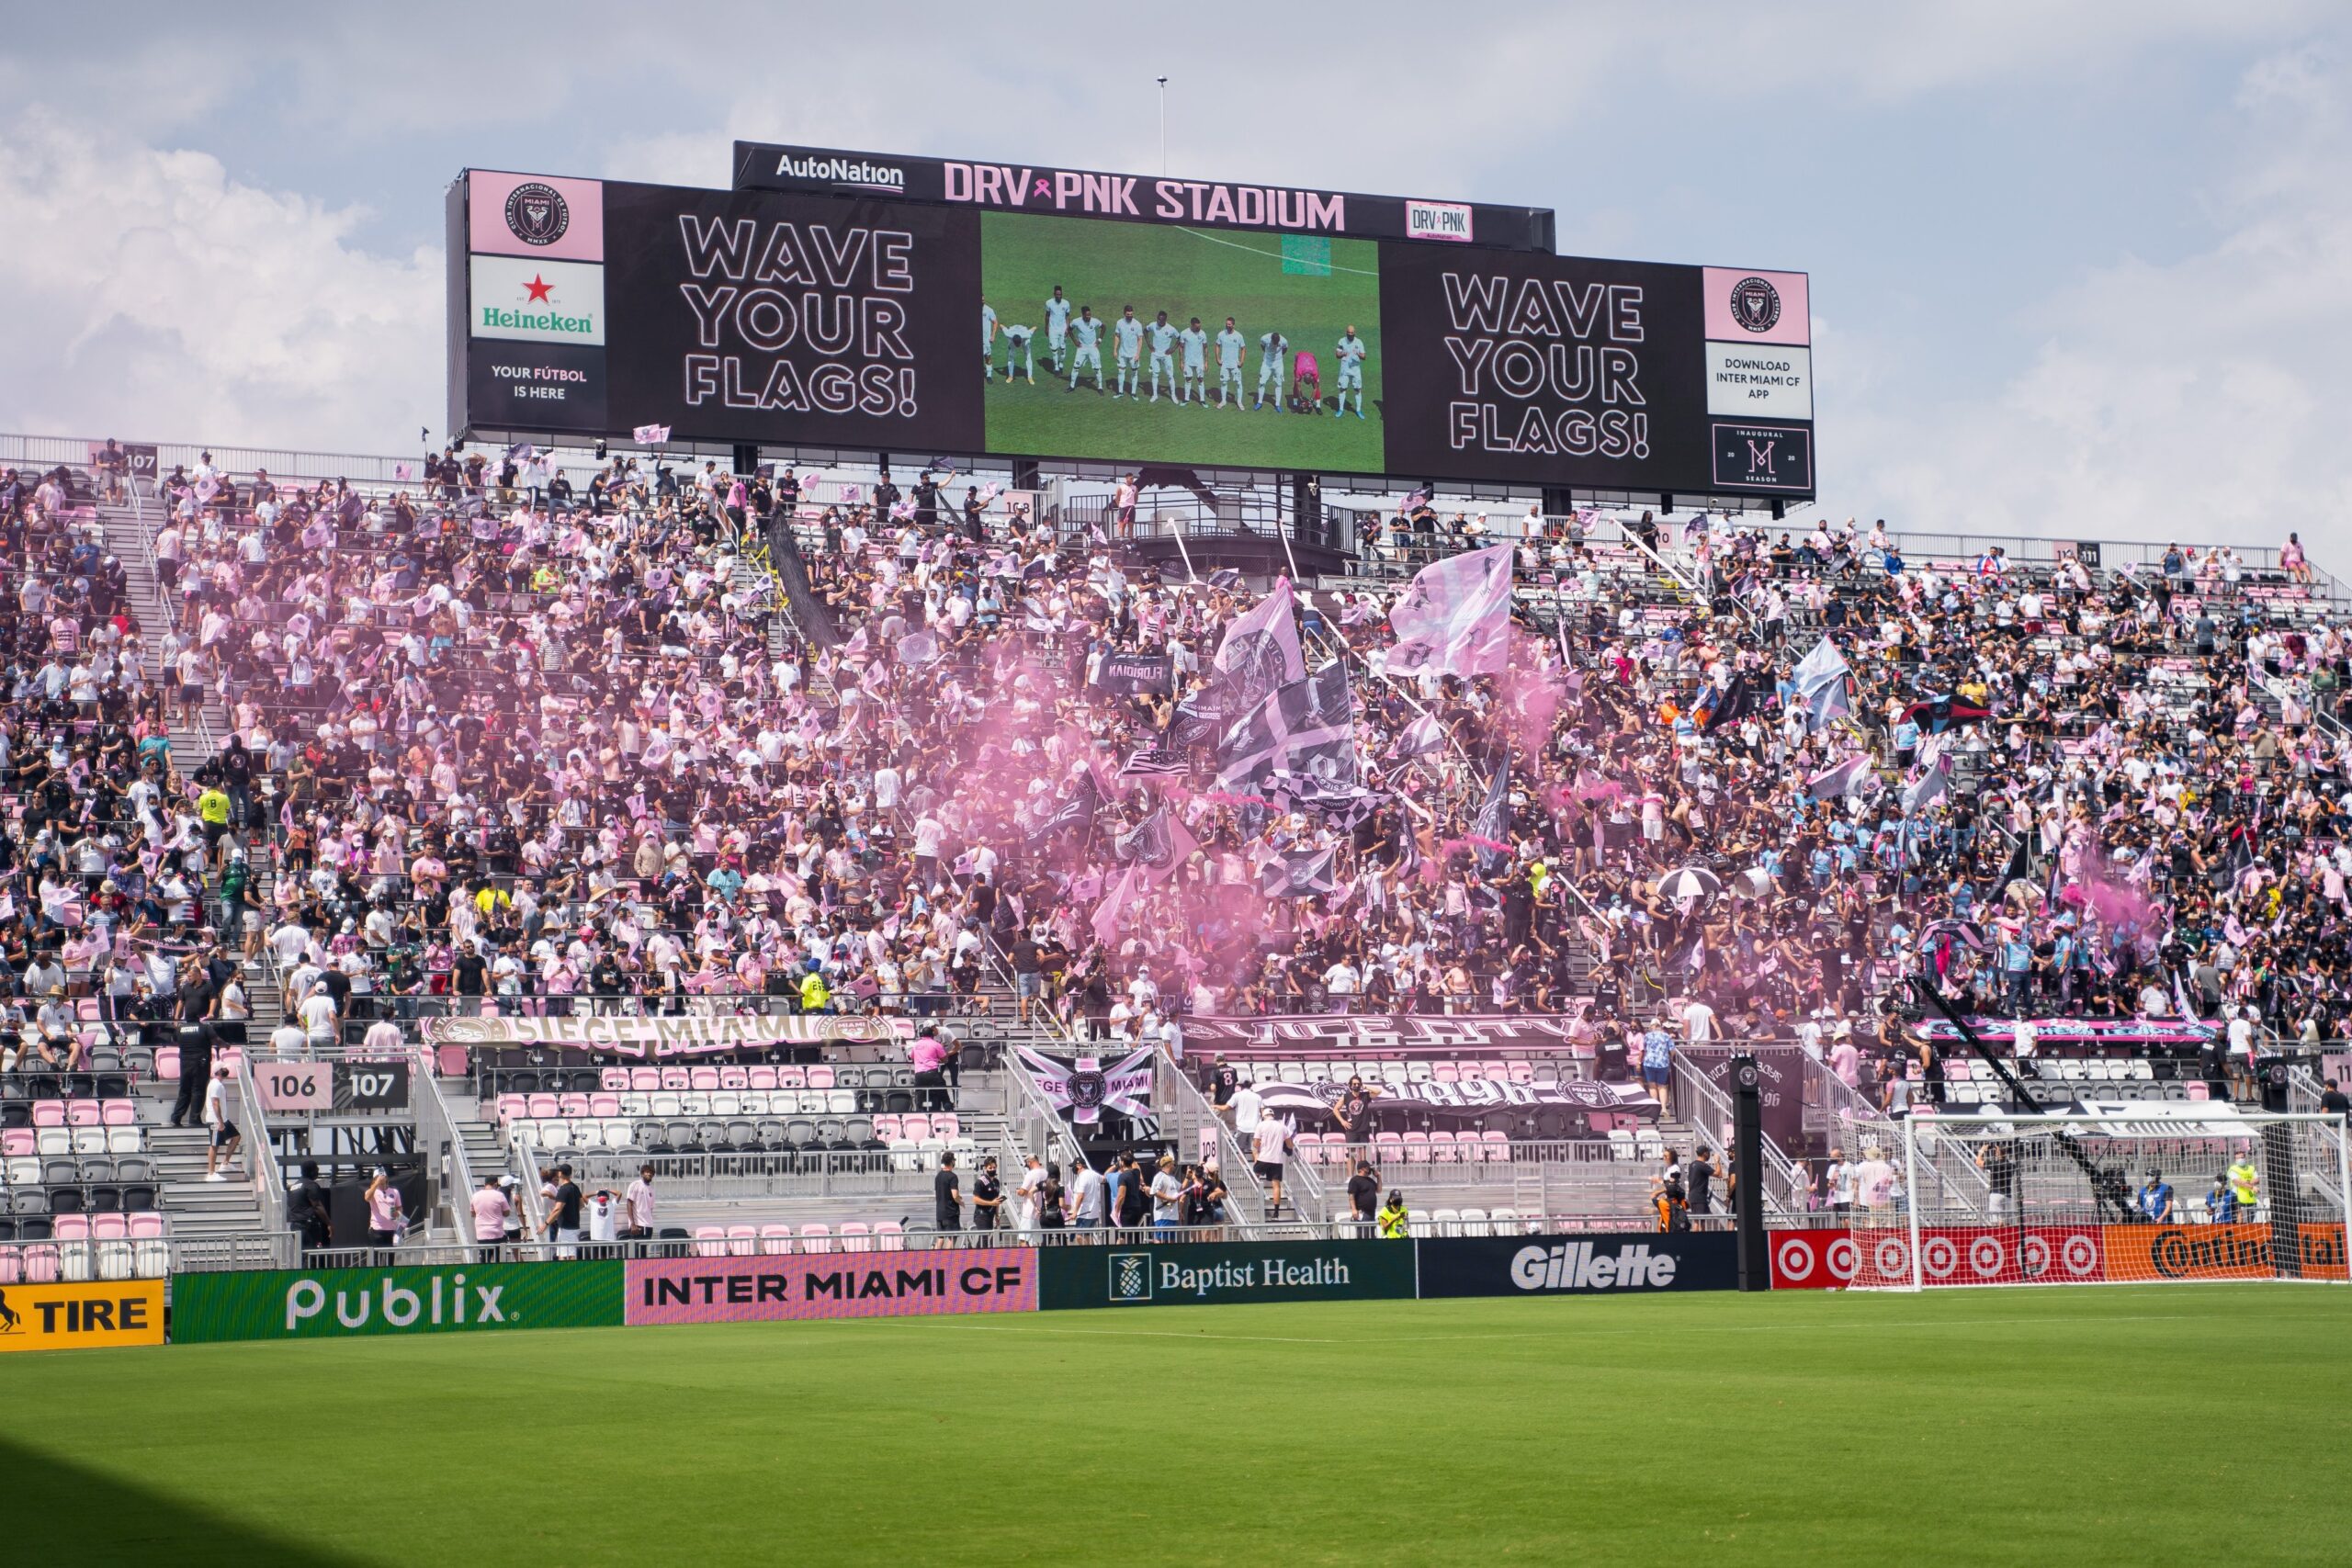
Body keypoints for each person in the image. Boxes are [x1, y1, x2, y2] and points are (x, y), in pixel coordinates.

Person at [202, 1065, 241, 1182]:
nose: (226, 1070)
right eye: (223, 1069)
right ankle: (211, 1173)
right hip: (216, 1120)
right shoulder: (215, 1085)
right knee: (214, 1145)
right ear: (218, 1071)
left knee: (236, 1137)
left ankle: (225, 1163)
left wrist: (222, 1120)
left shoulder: (218, 1084)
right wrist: (220, 1122)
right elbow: (215, 1103)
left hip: (222, 1119)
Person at [1251, 1111, 1290, 1215]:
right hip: (1277, 1159)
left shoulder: (1261, 1125)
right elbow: (1290, 1145)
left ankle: (1254, 1191)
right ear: (1273, 1116)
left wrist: (1259, 1147)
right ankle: (1276, 1213)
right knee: (1276, 1186)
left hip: (1264, 1157)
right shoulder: (1282, 1126)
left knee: (1255, 1172)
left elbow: (1255, 1144)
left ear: (1263, 1116)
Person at [290, 1160, 333, 1253]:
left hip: (295, 1226)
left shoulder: (294, 1185)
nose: (318, 1171)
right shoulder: (311, 1185)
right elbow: (317, 1206)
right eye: (317, 1169)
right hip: (308, 1228)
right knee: (312, 1256)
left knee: (301, 1255)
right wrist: (329, 1224)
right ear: (311, 1171)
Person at [469, 1172, 512, 1263]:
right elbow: (507, 1213)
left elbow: (472, 1213)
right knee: (499, 1261)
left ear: (485, 1184)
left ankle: (485, 1276)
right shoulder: (499, 1195)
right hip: (497, 1234)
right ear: (496, 1184)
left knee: (484, 1262)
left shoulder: (475, 1196)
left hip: (482, 1234)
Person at [364, 1167, 405, 1254]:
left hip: (391, 1230)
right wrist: (376, 1184)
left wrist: (398, 1214)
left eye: (383, 1176)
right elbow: (367, 1198)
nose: (382, 1178)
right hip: (377, 1230)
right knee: (377, 1259)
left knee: (390, 1258)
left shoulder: (394, 1191)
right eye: (378, 1177)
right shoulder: (371, 1191)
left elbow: (399, 1207)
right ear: (375, 1179)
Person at [546, 1164, 583, 1259]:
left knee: (567, 1256)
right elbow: (582, 1204)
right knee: (566, 1254)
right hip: (573, 1226)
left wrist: (545, 1224)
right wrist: (572, 1211)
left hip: (567, 1228)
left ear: (560, 1174)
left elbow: (557, 1209)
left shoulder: (564, 1189)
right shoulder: (575, 1187)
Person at [1068, 1156, 1106, 1234]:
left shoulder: (1082, 1177)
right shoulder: (1093, 1174)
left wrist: (1075, 1212)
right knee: (1087, 1236)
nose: (1074, 1169)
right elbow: (1104, 1179)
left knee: (1079, 1236)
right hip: (1094, 1213)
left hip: (1084, 1213)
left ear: (1079, 1166)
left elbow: (1081, 1196)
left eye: (1074, 1167)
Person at [622, 1165, 657, 1242]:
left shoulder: (652, 1190)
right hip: (637, 1225)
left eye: (651, 1173)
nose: (649, 1174)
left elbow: (650, 1209)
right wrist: (632, 1224)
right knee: (636, 1252)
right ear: (642, 1174)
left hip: (648, 1225)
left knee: (644, 1252)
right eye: (647, 1172)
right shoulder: (635, 1185)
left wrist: (650, 1224)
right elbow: (629, 1203)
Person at [1346, 1158, 1379, 1236]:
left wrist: (1378, 1177)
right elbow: (1351, 1196)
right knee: (1364, 1235)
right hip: (1362, 1212)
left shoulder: (1370, 1180)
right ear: (1362, 1169)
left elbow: (1379, 1190)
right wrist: (1354, 1209)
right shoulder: (1355, 1180)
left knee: (1371, 1235)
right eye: (1368, 1167)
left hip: (1371, 1212)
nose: (1370, 1169)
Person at [1014, 1155, 1046, 1236]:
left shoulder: (1030, 1174)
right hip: (1041, 1210)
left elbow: (1022, 1192)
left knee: (1023, 1239)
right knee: (1037, 1241)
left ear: (1029, 1162)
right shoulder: (1046, 1172)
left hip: (1029, 1211)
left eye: (1028, 1164)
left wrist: (1018, 1191)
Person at [933, 1151, 963, 1236]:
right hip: (950, 1213)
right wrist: (960, 1202)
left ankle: (936, 1251)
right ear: (952, 1162)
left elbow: (940, 1193)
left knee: (940, 1239)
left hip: (940, 1212)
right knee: (952, 1238)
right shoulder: (952, 1177)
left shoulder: (938, 1176)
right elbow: (954, 1195)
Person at [1149, 1154, 1182, 1231]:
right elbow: (1155, 1192)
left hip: (1172, 1215)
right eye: (1173, 1164)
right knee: (1162, 1240)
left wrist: (1188, 1178)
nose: (1174, 1166)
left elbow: (1181, 1188)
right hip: (1163, 1215)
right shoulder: (1159, 1176)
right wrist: (1169, 1199)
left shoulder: (1172, 1178)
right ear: (1170, 1165)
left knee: (1171, 1240)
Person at [1687, 1146, 1719, 1224]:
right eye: (1708, 1152)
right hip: (1699, 1197)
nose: (1709, 1154)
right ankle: (1700, 1237)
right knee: (1700, 1222)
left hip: (1693, 1196)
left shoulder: (1692, 1164)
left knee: (1698, 1221)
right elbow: (1718, 1174)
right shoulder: (1702, 1165)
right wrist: (1717, 1161)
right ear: (1705, 1153)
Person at [971, 1156, 1003, 1235]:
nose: (992, 1169)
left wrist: (997, 1215)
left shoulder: (996, 1182)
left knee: (987, 1240)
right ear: (985, 1168)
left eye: (994, 1167)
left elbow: (996, 1200)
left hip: (991, 1215)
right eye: (990, 1168)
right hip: (981, 1215)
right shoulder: (981, 1181)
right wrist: (991, 1203)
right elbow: (975, 1199)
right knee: (984, 1240)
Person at [2225, 1150, 2260, 1220]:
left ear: (2245, 1158)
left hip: (2251, 1199)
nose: (2240, 1159)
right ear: (2235, 1159)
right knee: (2241, 1221)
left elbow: (2257, 1180)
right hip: (2238, 1199)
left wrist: (2245, 1182)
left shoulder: (2251, 1168)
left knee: (2252, 1222)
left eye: (2242, 1157)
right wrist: (2252, 1187)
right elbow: (2237, 1182)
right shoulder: (2233, 1169)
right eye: (2238, 1158)